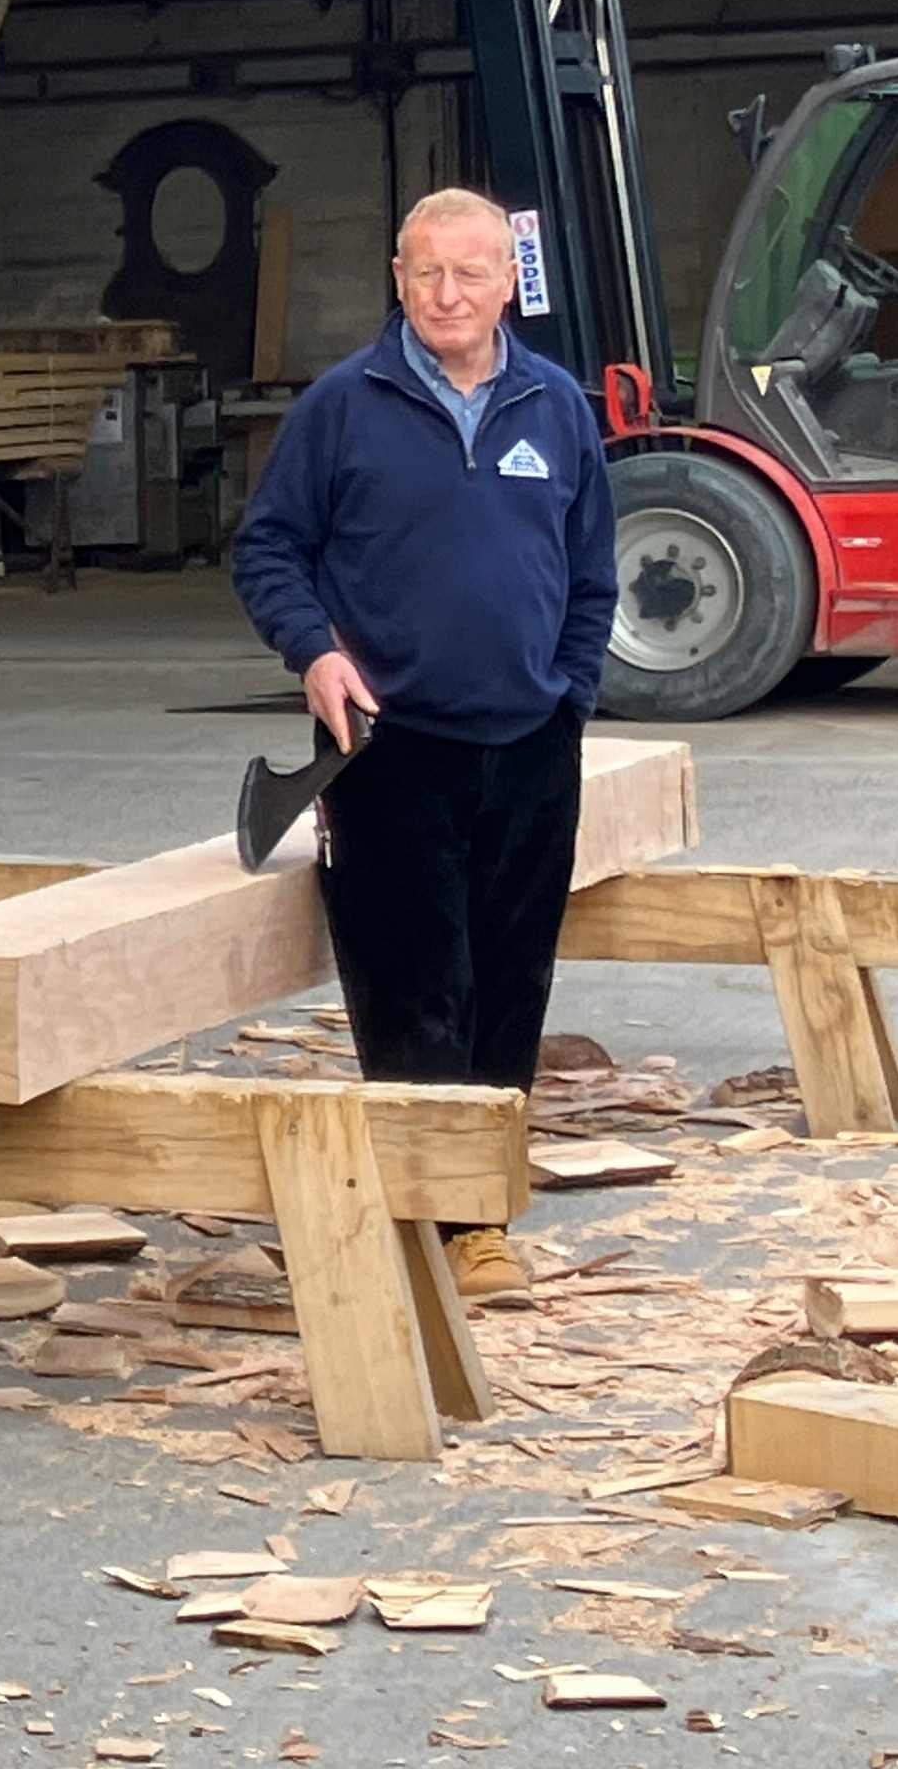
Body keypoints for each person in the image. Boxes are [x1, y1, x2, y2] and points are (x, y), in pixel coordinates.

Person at [230, 187, 616, 1305]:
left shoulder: (554, 406)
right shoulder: (341, 407)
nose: (448, 293)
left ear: (506, 284)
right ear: (397, 279)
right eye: (426, 272)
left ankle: (476, 1215)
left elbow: (591, 571)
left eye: (470, 272)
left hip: (530, 745)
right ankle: (432, 1217)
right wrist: (314, 653)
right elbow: (267, 550)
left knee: (508, 980)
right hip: (385, 748)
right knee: (410, 987)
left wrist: (569, 697)